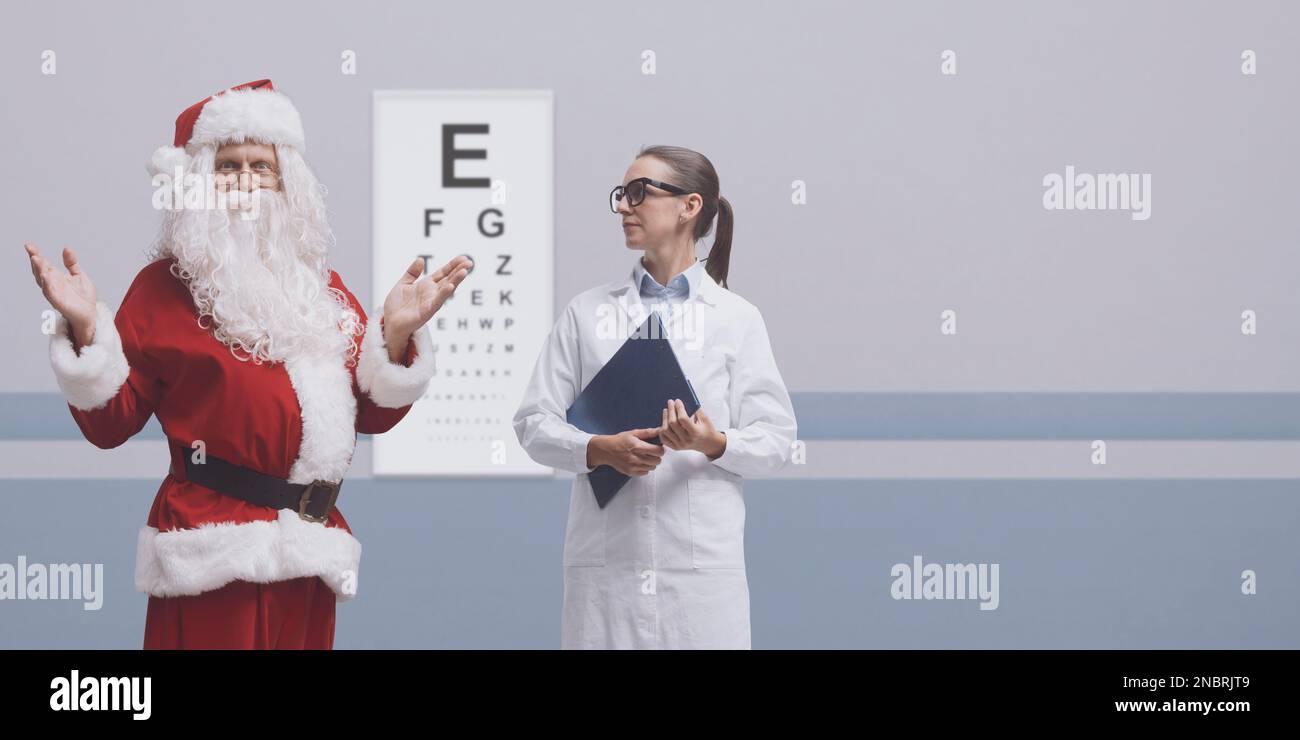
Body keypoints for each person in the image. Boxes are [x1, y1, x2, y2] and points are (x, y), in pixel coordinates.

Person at [23, 79, 471, 649]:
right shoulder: (164, 289)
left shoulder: (323, 291)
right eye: (229, 165)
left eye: (262, 166)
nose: (246, 181)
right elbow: (111, 424)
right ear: (201, 181)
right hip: (210, 551)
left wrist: (398, 334)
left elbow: (369, 414)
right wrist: (87, 329)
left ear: (287, 182)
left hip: (309, 551)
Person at [513, 145, 797, 649]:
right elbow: (534, 423)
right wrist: (600, 449)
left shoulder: (736, 319)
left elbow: (777, 441)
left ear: (689, 206)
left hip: (700, 576)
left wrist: (712, 442)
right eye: (622, 194)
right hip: (607, 573)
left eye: (639, 192)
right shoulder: (586, 313)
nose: (624, 206)